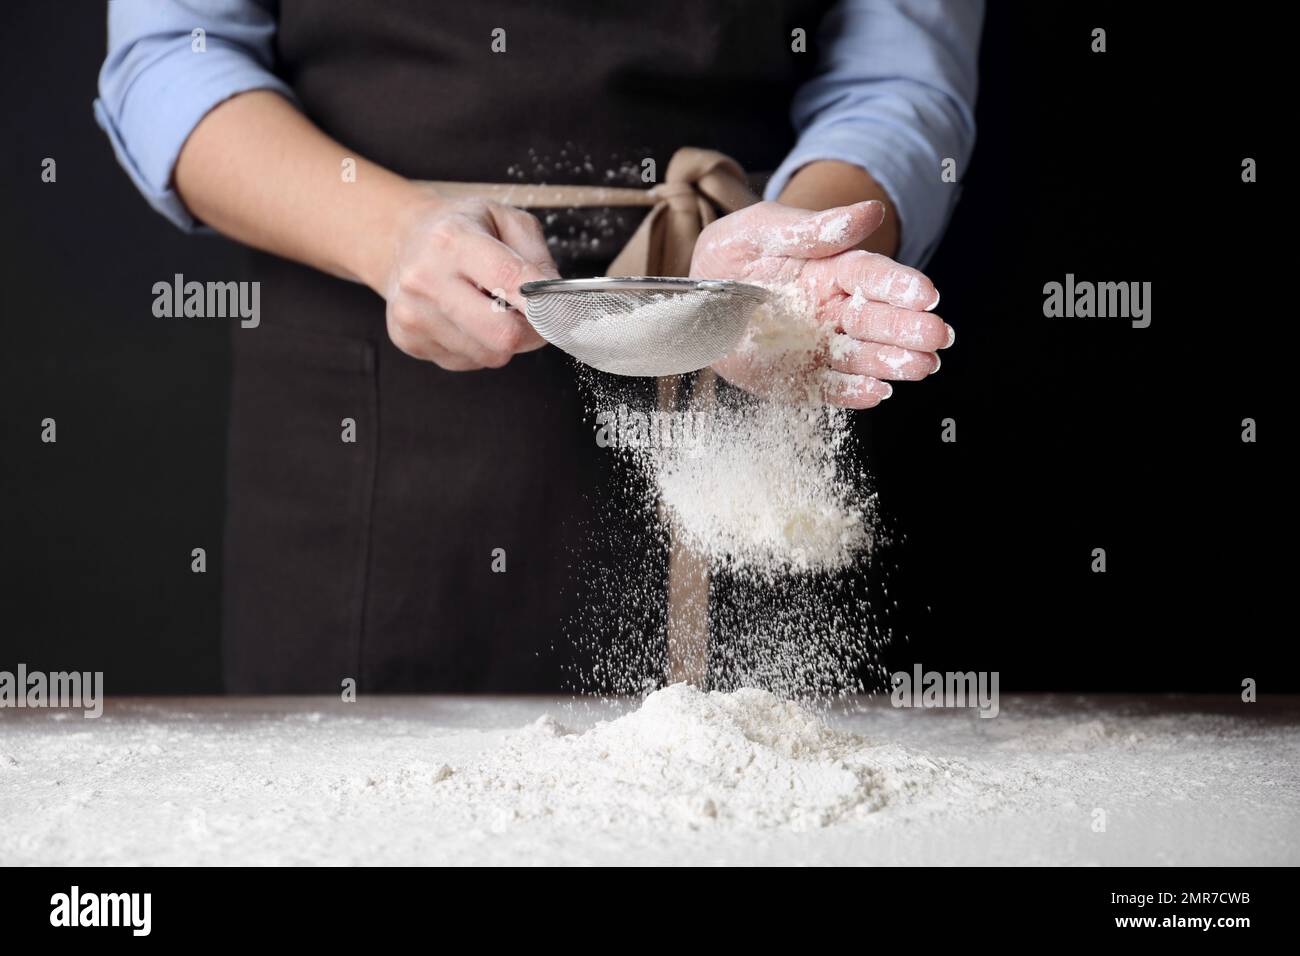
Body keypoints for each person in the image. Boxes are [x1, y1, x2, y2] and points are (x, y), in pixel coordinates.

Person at [95, 0, 982, 693]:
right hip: (377, 442)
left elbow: (896, 73)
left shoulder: (772, 302)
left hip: (746, 371)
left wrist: (793, 261)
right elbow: (172, 51)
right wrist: (391, 235)